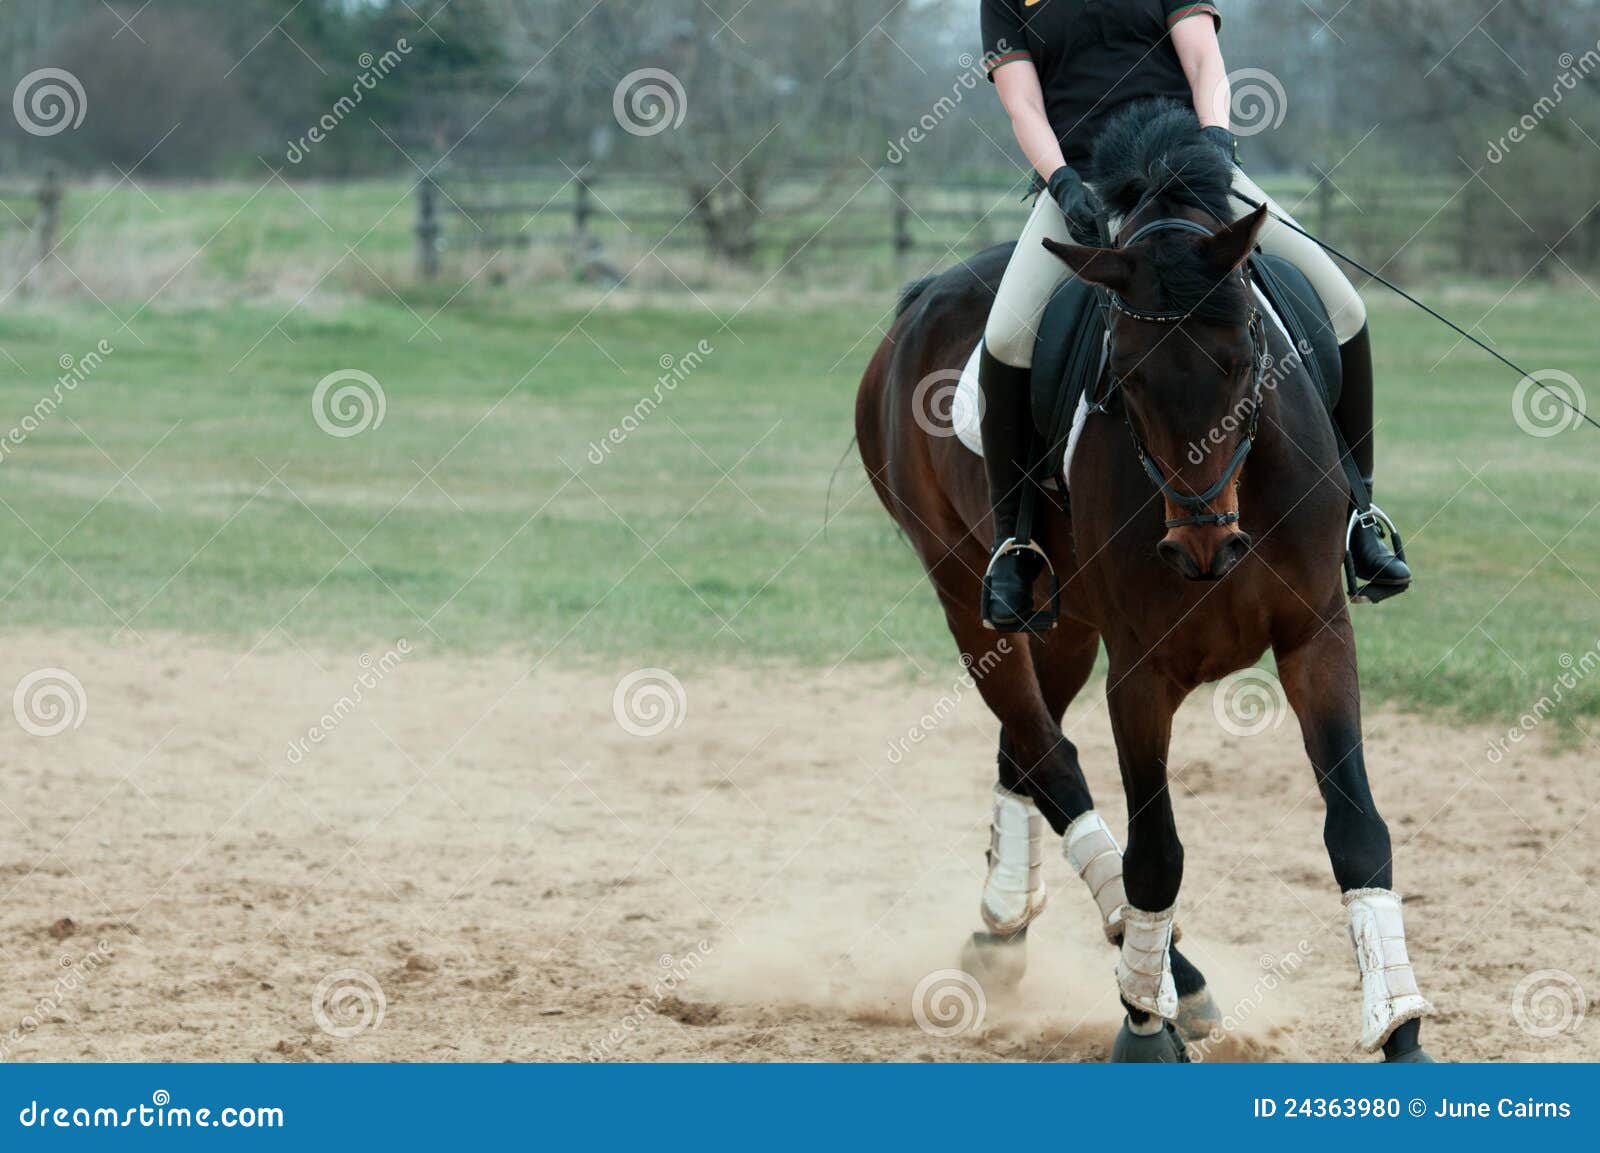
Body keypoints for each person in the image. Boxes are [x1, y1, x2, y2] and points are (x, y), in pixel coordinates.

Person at [976, 0, 1410, 631]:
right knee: (1007, 336)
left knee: (1343, 304)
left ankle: (1359, 516)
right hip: (1087, 184)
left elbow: (1203, 54)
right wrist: (1062, 181)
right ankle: (1015, 546)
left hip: (1188, 171)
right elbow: (1023, 103)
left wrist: (1214, 134)